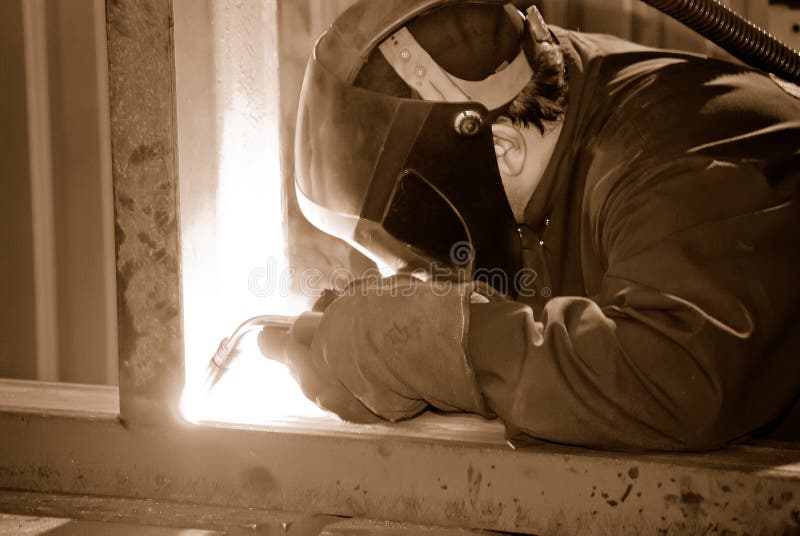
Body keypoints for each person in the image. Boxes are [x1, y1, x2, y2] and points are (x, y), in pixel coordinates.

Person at [262, 0, 800, 451]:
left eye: (414, 226)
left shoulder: (681, 164)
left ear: (500, 148)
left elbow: (675, 379)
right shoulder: (533, 106)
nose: (416, 257)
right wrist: (397, 326)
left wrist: (448, 346)